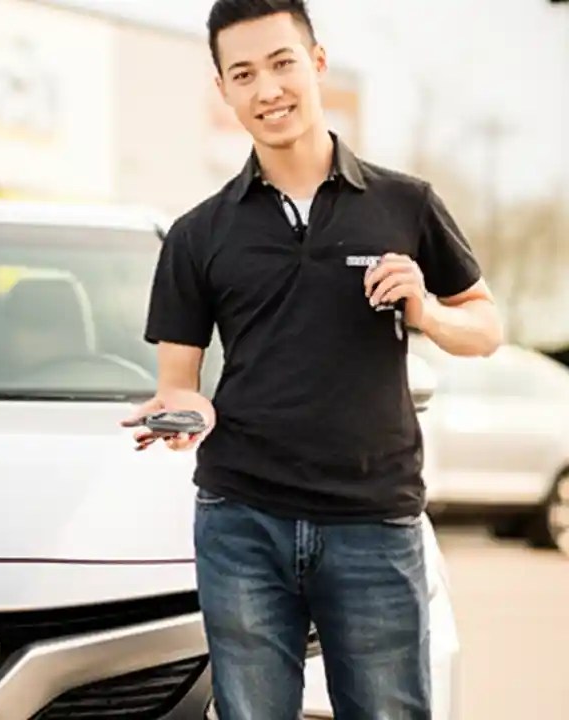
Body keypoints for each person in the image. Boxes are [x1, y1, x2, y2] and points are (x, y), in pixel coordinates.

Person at [120, 1, 504, 718]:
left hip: (373, 522)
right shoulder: (197, 233)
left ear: (317, 63)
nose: (267, 89)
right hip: (242, 522)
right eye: (243, 74)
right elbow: (180, 382)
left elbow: (486, 327)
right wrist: (187, 409)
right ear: (223, 90)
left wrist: (428, 310)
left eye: (281, 63)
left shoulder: (404, 203)